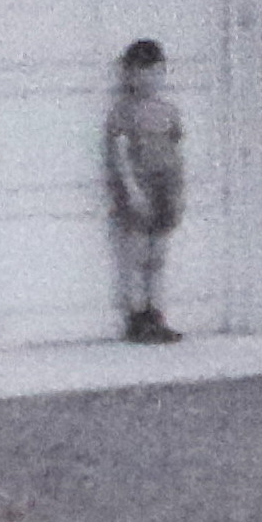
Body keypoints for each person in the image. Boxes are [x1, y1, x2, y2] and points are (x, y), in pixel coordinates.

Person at [104, 38, 185, 342]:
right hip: (140, 187)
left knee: (158, 256)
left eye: (155, 72)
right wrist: (132, 189)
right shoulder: (124, 112)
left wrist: (178, 191)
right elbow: (119, 154)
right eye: (141, 73)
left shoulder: (169, 112)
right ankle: (137, 318)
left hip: (165, 187)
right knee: (137, 255)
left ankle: (156, 315)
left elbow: (176, 153)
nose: (148, 80)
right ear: (129, 75)